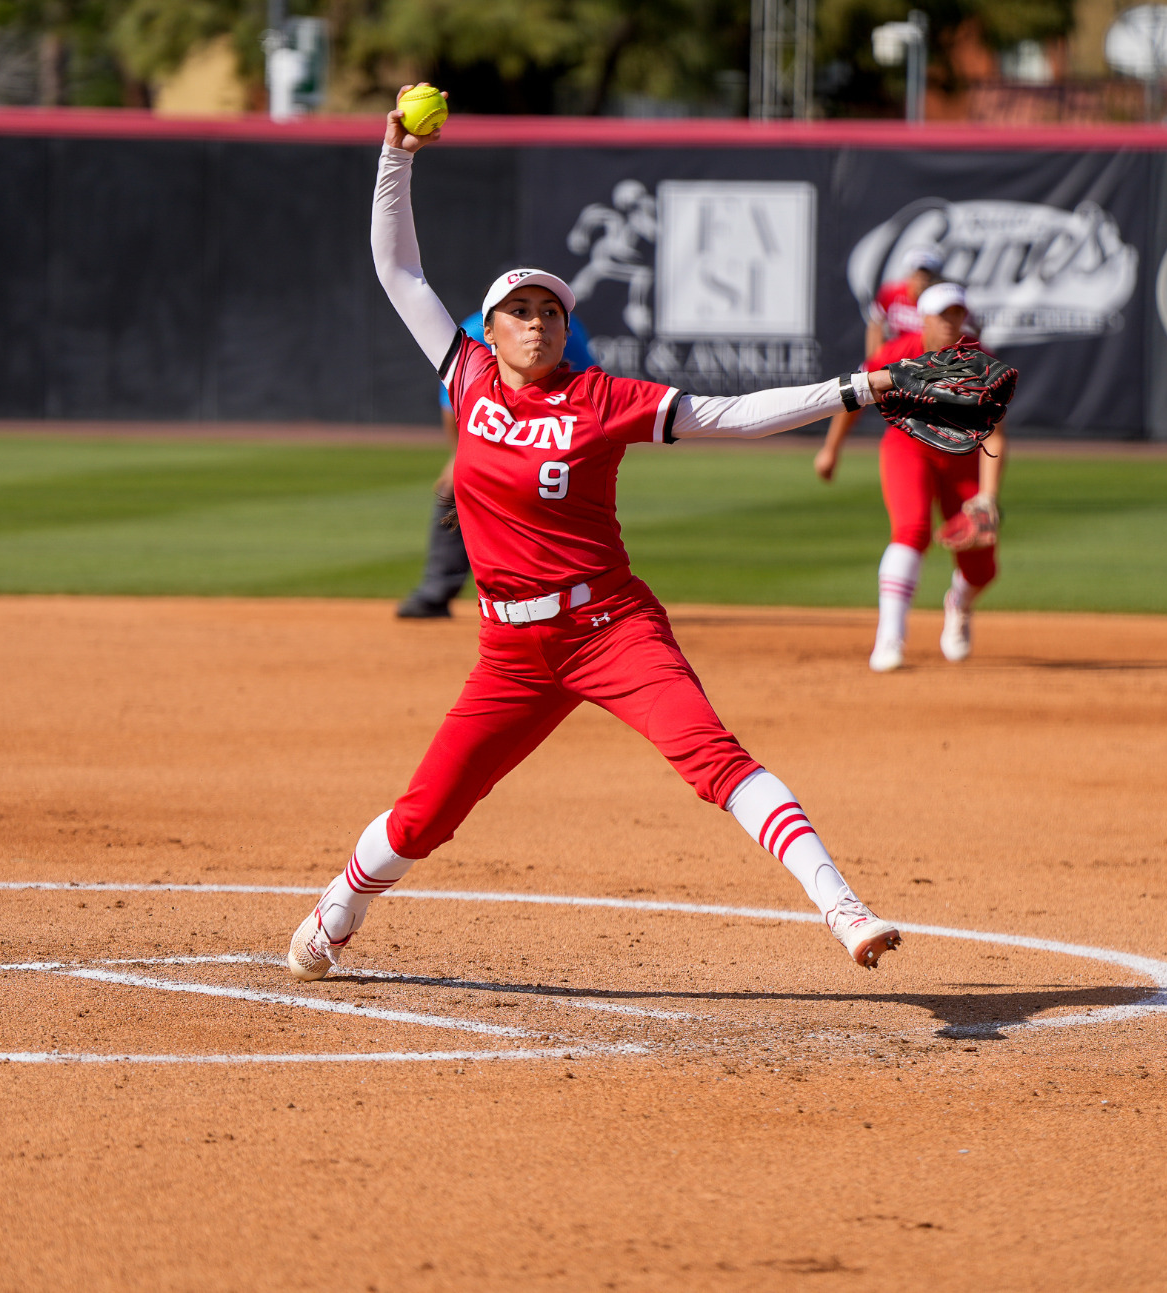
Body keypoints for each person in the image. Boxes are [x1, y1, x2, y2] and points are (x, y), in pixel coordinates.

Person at [288, 87, 915, 979]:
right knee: (427, 814)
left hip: (609, 626)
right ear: (489, 329)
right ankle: (339, 906)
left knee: (714, 757)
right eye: (521, 311)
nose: (538, 323)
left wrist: (853, 390)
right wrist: (396, 157)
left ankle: (843, 906)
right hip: (511, 646)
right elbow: (400, 273)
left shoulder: (601, 399)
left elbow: (730, 415)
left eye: (552, 312)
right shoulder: (465, 376)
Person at [814, 282, 1007, 672]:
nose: (952, 322)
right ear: (924, 319)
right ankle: (890, 636)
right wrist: (831, 449)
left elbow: (996, 434)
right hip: (908, 448)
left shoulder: (980, 361)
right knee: (912, 529)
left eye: (957, 313)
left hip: (962, 459)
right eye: (943, 314)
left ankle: (959, 603)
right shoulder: (898, 353)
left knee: (981, 565)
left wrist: (987, 496)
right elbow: (852, 398)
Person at [397, 310, 596, 619]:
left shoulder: (562, 328)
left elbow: (590, 391)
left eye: (543, 306)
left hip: (552, 423)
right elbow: (452, 405)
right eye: (517, 307)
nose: (534, 317)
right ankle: (435, 593)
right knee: (453, 485)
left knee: (558, 491)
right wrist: (461, 456)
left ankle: (580, 591)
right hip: (490, 423)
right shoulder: (473, 332)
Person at [866, 248, 944, 366]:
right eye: (917, 275)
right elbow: (875, 326)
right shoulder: (891, 293)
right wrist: (874, 360)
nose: (922, 281)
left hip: (926, 361)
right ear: (910, 275)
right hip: (895, 358)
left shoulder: (941, 299)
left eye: (927, 277)